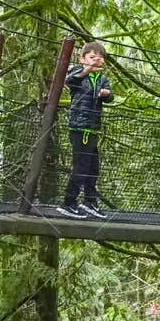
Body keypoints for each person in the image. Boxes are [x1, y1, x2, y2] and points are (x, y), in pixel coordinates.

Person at [60, 41, 113, 219]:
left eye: (100, 57)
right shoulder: (77, 73)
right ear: (82, 58)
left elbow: (109, 97)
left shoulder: (102, 78)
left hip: (93, 128)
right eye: (92, 57)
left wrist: (106, 94)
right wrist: (86, 70)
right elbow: (69, 82)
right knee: (81, 166)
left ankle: (89, 201)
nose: (97, 60)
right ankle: (68, 202)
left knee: (93, 167)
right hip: (79, 127)